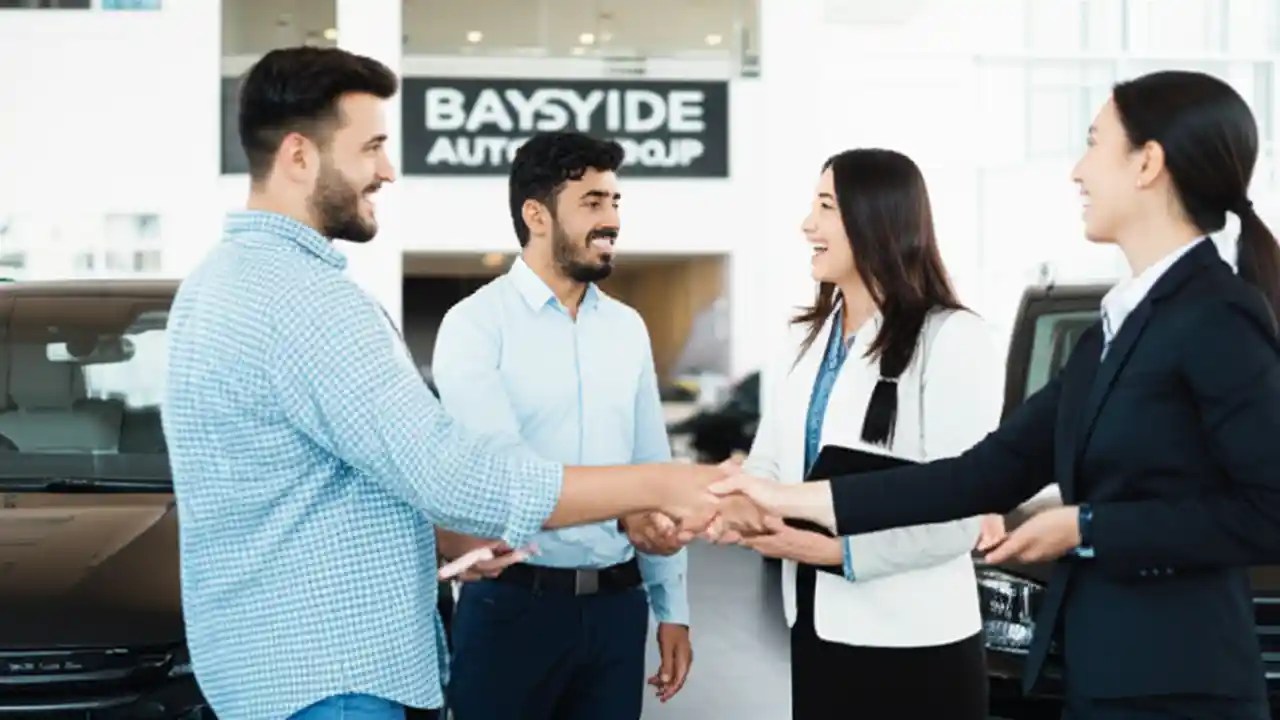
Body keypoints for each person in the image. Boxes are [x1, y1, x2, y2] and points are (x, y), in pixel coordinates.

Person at [161, 47, 724, 720]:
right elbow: (456, 478)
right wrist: (664, 484)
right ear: (299, 156)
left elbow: (314, 488)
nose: (388, 170)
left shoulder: (219, 282)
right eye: (371, 147)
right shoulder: (308, 302)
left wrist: (445, 541)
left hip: (285, 668)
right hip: (333, 680)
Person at [712, 69, 1280, 720]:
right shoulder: (1114, 331)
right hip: (1106, 674)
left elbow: (1269, 510)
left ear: (1147, 163)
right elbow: (979, 475)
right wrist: (784, 497)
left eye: (1095, 143)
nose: (1077, 170)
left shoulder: (1216, 313)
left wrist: (1086, 526)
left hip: (1184, 684)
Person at [722, 148, 1003, 719]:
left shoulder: (952, 339)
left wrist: (833, 551)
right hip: (815, 625)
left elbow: (961, 510)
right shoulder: (807, 341)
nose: (808, 225)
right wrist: (742, 507)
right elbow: (770, 462)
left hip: (916, 642)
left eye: (826, 205)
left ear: (876, 218)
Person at [431, 130, 697, 719]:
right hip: (509, 610)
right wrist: (628, 502)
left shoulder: (627, 328)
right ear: (537, 215)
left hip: (616, 610)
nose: (612, 221)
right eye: (593, 203)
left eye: (615, 202)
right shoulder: (475, 325)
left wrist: (671, 605)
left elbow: (652, 466)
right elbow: (505, 474)